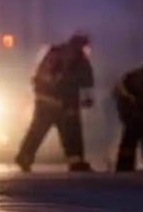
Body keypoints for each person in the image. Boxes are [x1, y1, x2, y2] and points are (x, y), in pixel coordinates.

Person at [15, 31, 95, 172]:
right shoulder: (79, 58)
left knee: (37, 131)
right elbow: (86, 81)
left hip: (44, 100)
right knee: (71, 133)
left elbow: (38, 75)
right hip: (66, 103)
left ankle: (24, 157)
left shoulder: (52, 52)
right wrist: (88, 99)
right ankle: (75, 162)